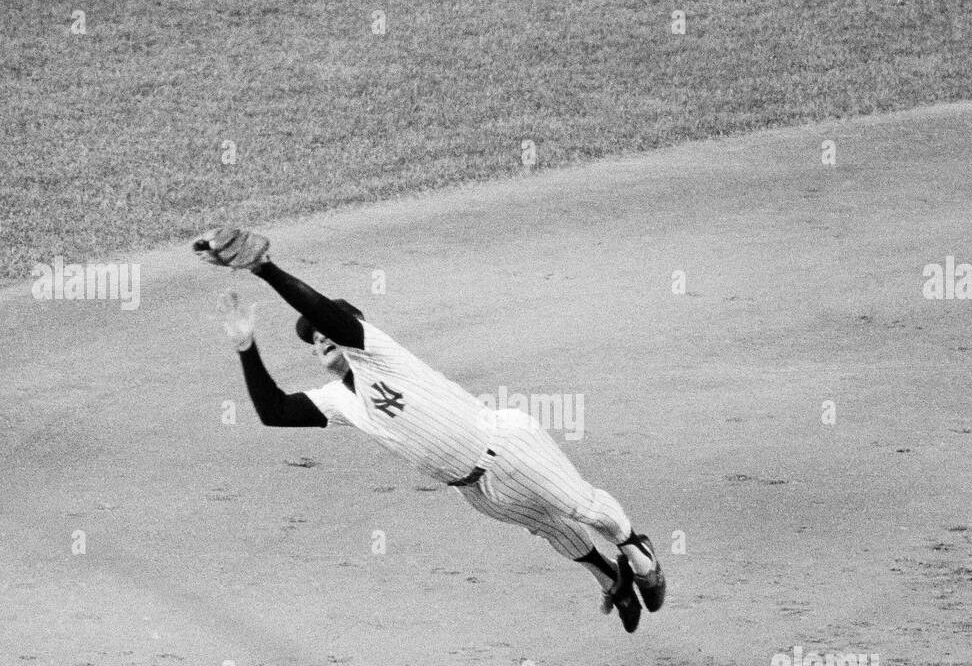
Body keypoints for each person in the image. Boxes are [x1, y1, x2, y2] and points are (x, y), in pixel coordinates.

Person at [193, 227, 665, 632]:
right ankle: (611, 579)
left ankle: (635, 549)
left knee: (580, 505)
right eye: (314, 342)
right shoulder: (337, 399)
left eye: (326, 331)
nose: (321, 340)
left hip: (507, 447)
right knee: (548, 528)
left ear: (351, 329)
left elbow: (320, 308)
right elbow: (274, 411)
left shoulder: (378, 352)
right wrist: (246, 346)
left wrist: (265, 269)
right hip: (475, 489)